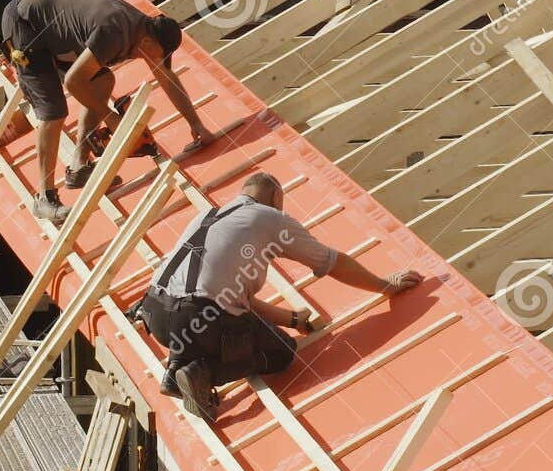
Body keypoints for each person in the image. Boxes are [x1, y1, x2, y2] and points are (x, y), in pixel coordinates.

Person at [137, 172, 425, 421]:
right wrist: (384, 285)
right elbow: (331, 261)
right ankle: (201, 373)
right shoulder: (272, 218)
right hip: (198, 319)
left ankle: (177, 366)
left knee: (208, 312)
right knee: (281, 350)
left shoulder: (206, 215)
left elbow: (233, 299)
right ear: (276, 198)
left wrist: (291, 318)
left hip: (155, 313)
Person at [0, 0, 213, 222]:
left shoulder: (145, 31)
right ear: (147, 43)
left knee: (102, 82)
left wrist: (196, 123)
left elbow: (168, 79)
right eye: (155, 57)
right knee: (53, 111)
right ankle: (45, 199)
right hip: (26, 23)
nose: (154, 63)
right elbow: (73, 82)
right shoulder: (113, 31)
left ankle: (79, 165)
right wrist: (112, 118)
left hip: (55, 31)